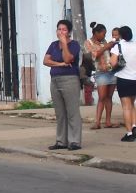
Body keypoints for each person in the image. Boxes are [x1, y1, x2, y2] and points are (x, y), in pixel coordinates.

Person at [44, 19, 82, 151]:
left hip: (70, 79)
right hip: (55, 79)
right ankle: (61, 141)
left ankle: (74, 141)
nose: (61, 32)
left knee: (72, 112)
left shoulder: (74, 45)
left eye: (64, 30)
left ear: (69, 32)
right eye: (59, 29)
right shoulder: (53, 45)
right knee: (60, 113)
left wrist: (65, 43)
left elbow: (68, 59)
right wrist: (59, 64)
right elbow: (46, 61)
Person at [86, 22, 118, 129]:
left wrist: (111, 46)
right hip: (101, 73)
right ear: (96, 33)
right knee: (102, 97)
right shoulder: (88, 42)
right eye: (103, 34)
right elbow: (94, 55)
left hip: (111, 71)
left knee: (109, 97)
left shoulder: (104, 42)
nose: (104, 36)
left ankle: (108, 121)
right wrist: (106, 47)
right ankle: (97, 122)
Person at [111, 26, 136, 142]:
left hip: (124, 78)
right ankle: (135, 126)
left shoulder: (118, 46)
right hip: (135, 78)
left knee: (126, 107)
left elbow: (113, 63)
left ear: (120, 35)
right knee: (132, 104)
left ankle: (129, 133)